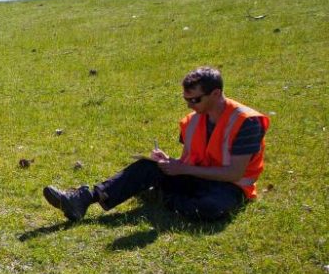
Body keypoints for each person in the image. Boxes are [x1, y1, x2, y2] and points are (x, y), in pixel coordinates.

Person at [44, 67, 269, 222]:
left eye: (195, 100)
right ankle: (82, 199)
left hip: (230, 187)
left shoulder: (246, 122)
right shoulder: (191, 122)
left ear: (216, 93)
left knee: (212, 208)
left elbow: (234, 173)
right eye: (186, 100)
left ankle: (162, 196)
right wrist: (170, 163)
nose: (190, 105)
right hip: (197, 179)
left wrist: (182, 169)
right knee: (148, 166)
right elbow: (190, 160)